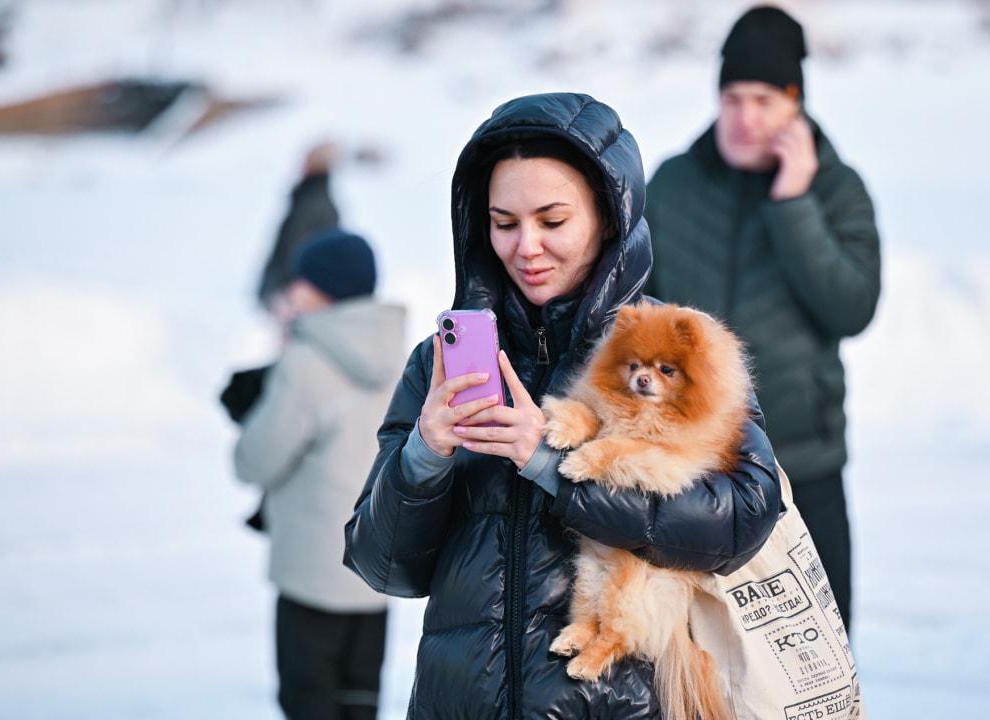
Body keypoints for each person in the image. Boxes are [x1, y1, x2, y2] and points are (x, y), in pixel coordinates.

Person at [343, 92, 782, 718]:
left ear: (608, 216)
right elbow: (382, 565)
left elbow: (741, 519)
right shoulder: (440, 364)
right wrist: (425, 454)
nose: (526, 247)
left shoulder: (667, 350)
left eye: (552, 221)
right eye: (503, 223)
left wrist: (550, 462)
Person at [643, 5, 881, 630]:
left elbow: (853, 306)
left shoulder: (836, 189)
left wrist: (794, 201)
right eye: (733, 98)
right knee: (698, 669)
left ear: (795, 106)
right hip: (693, 471)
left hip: (804, 468)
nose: (746, 118)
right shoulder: (672, 184)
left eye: (765, 100)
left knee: (817, 660)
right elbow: (634, 315)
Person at [234, 229, 406, 720]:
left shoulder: (306, 360)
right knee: (358, 702)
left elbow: (255, 460)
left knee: (308, 702)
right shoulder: (399, 356)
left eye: (303, 282)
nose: (292, 290)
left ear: (326, 290)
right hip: (373, 569)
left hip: (311, 576)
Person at [258, 143, 343, 325]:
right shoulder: (307, 199)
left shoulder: (314, 204)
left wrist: (291, 296)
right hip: (290, 293)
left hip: (293, 298)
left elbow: (300, 253)